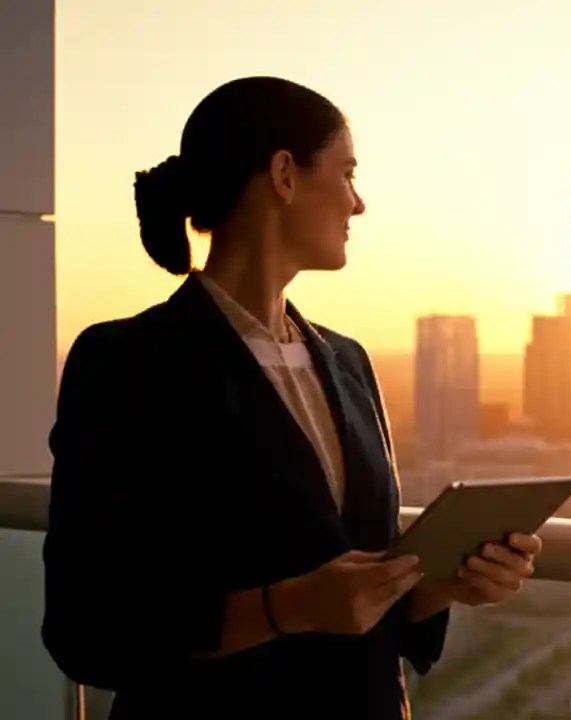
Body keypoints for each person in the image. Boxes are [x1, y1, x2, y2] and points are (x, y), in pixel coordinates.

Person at [42, 76, 542, 719]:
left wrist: (445, 584)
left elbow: (359, 588)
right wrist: (286, 608)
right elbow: (86, 626)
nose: (358, 204)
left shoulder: (349, 361)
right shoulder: (127, 362)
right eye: (347, 172)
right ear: (284, 174)